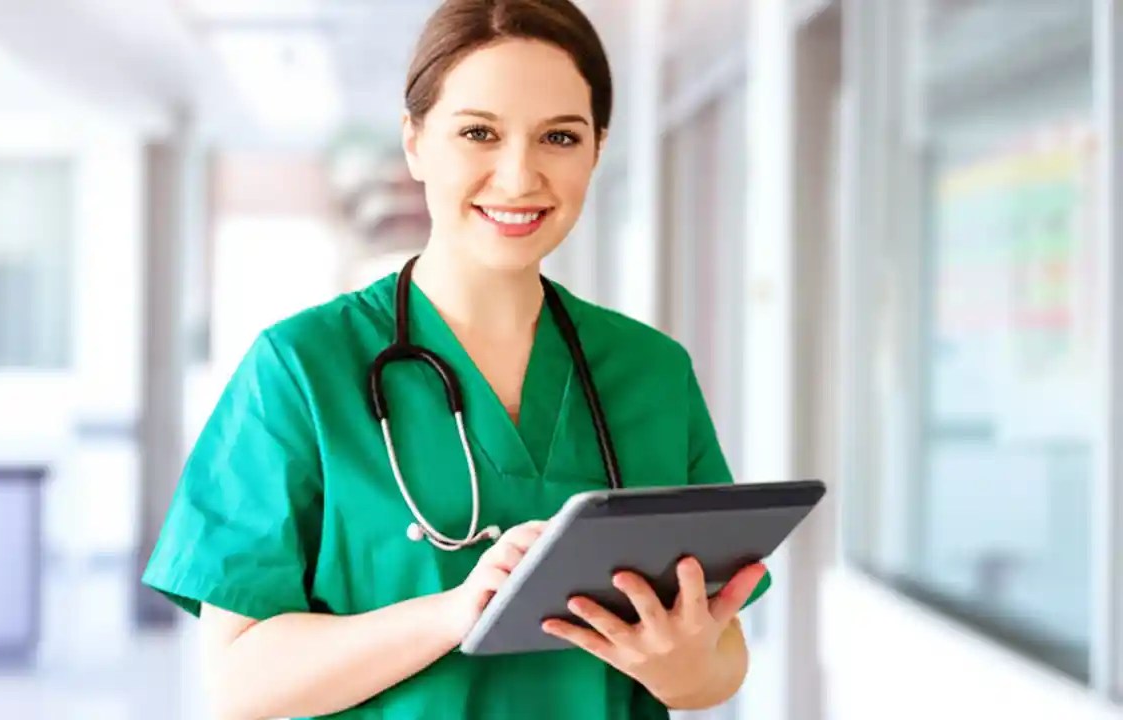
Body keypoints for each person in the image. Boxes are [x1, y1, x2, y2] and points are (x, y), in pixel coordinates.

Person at [141, 1, 771, 718]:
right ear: (414, 142)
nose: (518, 176)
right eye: (478, 133)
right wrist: (454, 613)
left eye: (559, 137)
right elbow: (237, 681)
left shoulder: (652, 372)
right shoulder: (302, 369)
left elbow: (721, 661)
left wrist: (682, 666)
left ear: (597, 148)